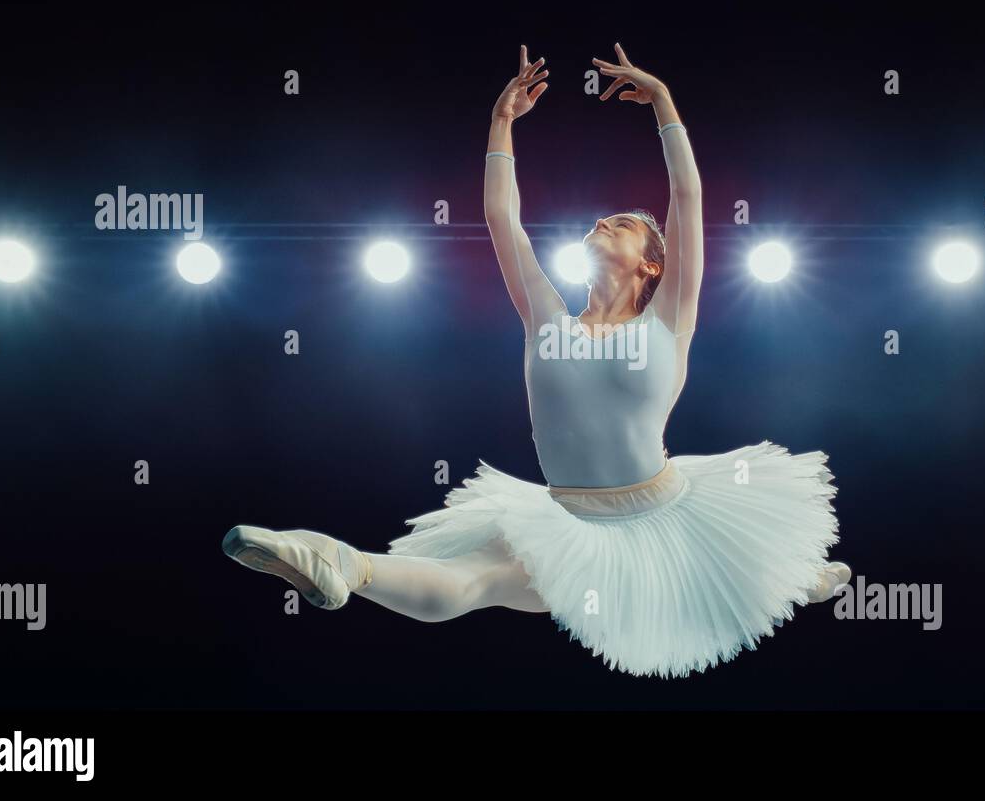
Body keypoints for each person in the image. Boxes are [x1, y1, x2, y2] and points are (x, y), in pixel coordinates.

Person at [223, 43, 850, 679]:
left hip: (661, 509)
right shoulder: (546, 320)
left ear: (651, 263)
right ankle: (340, 562)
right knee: (477, 583)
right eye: (603, 218)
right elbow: (502, 218)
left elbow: (686, 199)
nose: (604, 220)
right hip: (566, 518)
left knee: (732, 571)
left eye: (624, 224)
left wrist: (663, 104)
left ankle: (793, 575)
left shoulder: (670, 319)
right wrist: (502, 124)